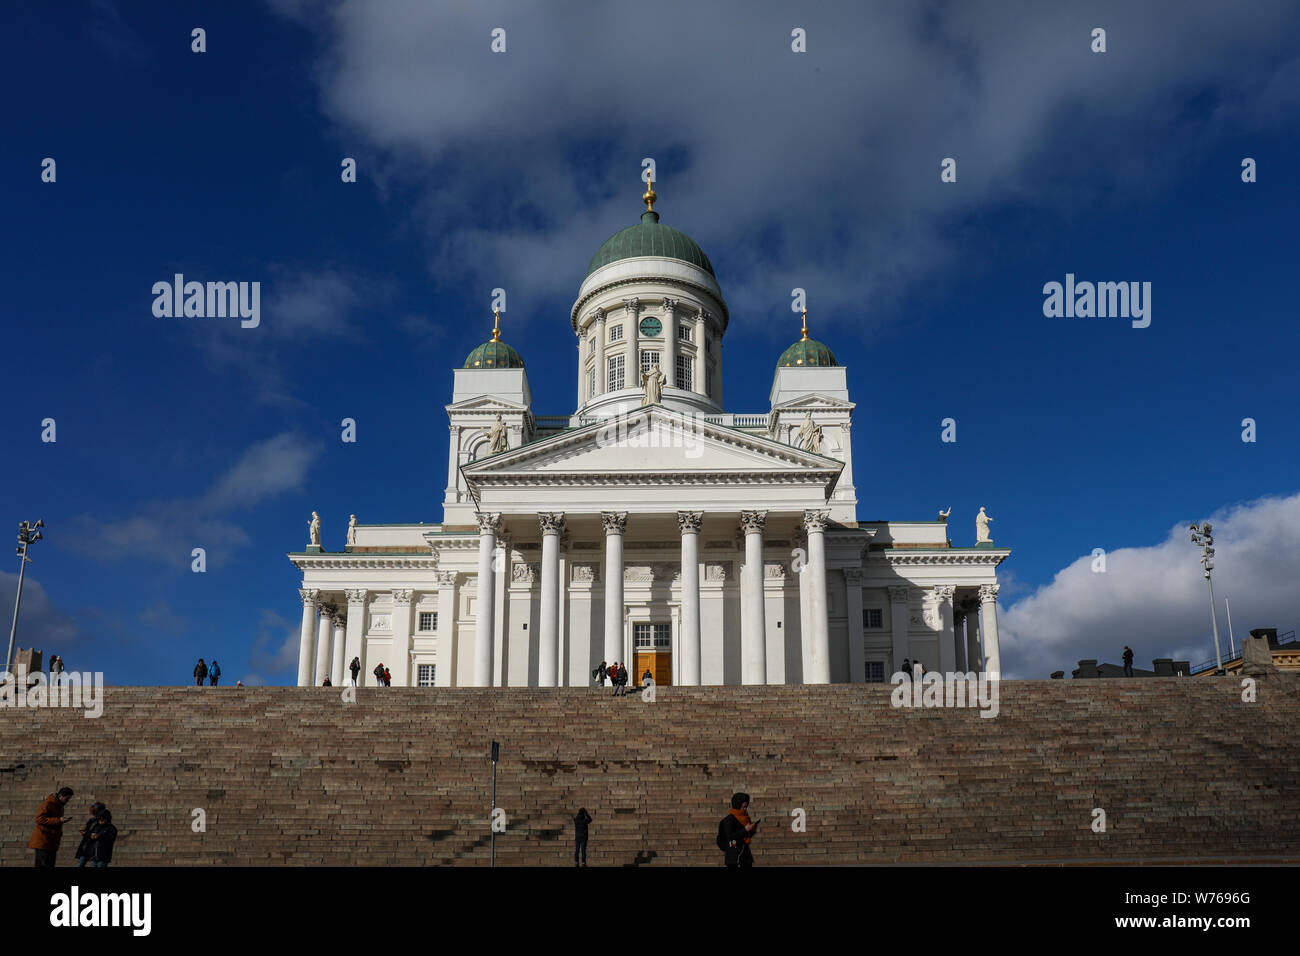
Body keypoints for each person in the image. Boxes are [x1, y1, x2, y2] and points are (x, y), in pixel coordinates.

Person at [28, 787, 75, 867]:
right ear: (61, 796)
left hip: (52, 841)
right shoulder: (48, 804)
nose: (67, 801)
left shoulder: (60, 806)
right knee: (43, 864)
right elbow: (39, 819)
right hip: (43, 840)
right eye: (67, 798)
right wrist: (58, 820)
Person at [719, 792, 758, 867]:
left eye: (746, 807)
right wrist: (745, 830)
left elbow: (745, 836)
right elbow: (730, 836)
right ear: (737, 805)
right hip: (734, 856)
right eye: (743, 807)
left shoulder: (745, 818)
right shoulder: (729, 819)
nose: (745, 809)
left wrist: (752, 830)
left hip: (745, 854)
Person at [74, 802, 106, 867]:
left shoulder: (102, 822)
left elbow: (96, 834)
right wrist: (84, 832)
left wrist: (87, 833)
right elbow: (89, 832)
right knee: (80, 863)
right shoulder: (91, 821)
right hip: (86, 845)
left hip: (95, 847)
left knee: (93, 864)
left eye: (95, 813)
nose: (93, 815)